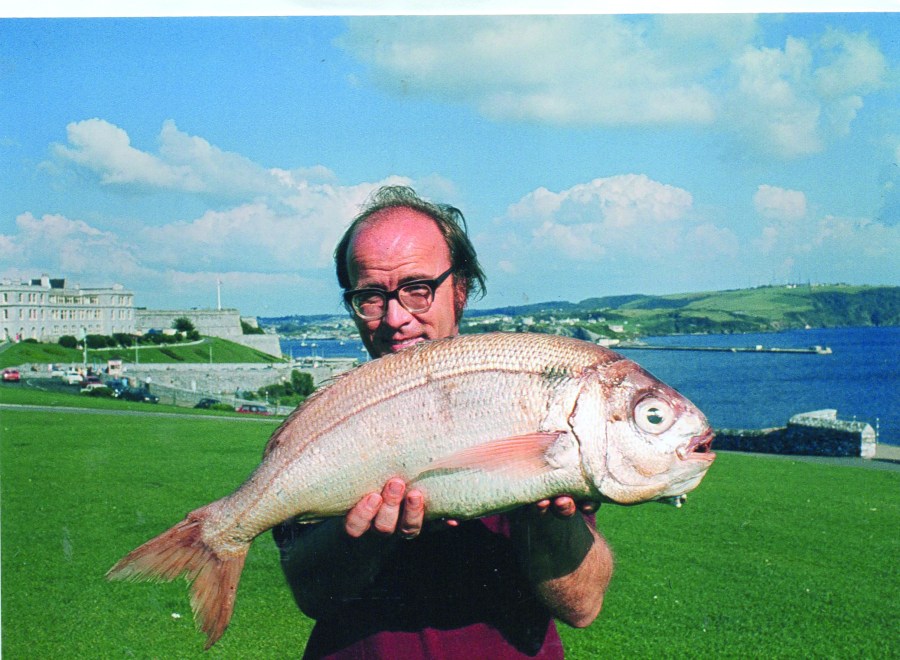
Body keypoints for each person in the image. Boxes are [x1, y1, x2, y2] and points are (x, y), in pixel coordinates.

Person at [273, 186, 614, 658]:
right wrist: (373, 537)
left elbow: (581, 606)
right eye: (371, 296)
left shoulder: (524, 394)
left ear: (461, 288)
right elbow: (311, 594)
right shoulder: (326, 422)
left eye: (418, 289)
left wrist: (546, 519)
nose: (396, 319)